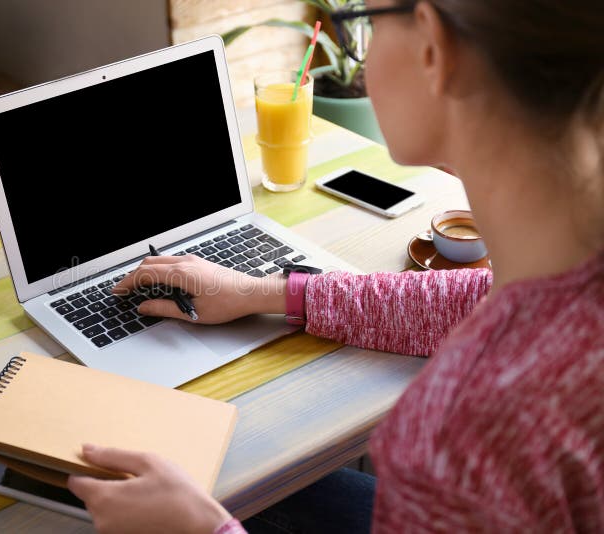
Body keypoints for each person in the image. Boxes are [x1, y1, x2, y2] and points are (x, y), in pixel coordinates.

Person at [66, 0, 604, 532]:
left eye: (365, 22)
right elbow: (480, 299)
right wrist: (264, 293)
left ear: (435, 52)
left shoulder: (474, 430)